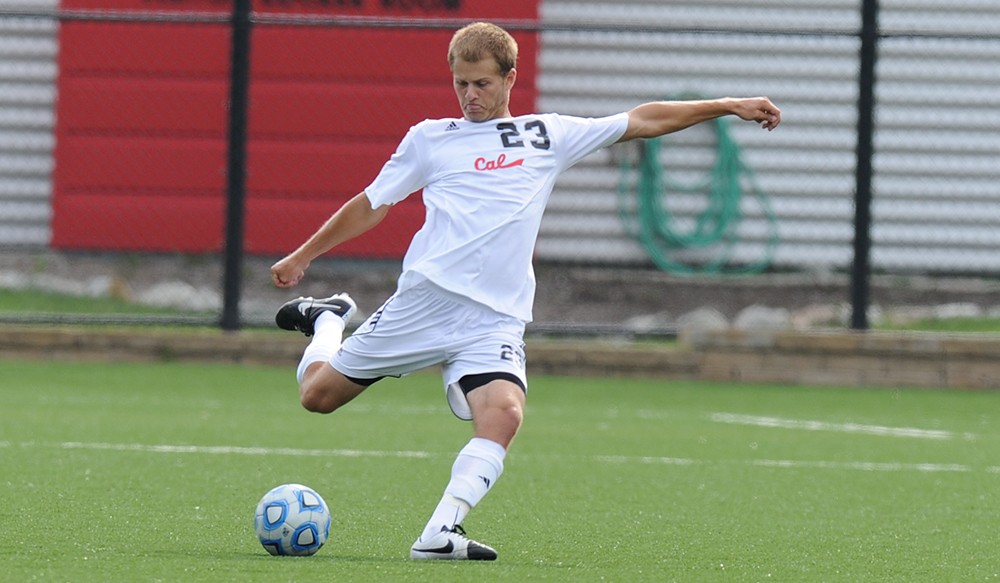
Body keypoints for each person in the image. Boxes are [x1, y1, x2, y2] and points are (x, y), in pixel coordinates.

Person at [270, 21, 781, 561]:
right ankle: (328, 319)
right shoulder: (430, 138)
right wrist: (304, 254)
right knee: (317, 397)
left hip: (494, 318)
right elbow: (371, 204)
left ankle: (439, 533)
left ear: (510, 78)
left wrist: (728, 105)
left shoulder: (546, 135)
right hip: (426, 302)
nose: (470, 95)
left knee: (504, 413)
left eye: (482, 84)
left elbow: (642, 119)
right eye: (461, 83)